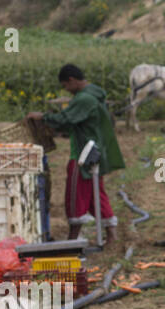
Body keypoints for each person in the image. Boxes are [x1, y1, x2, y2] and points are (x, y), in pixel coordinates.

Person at [28, 64, 125, 247]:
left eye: (65, 86)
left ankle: (72, 240)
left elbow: (65, 119)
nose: (66, 90)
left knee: (75, 195)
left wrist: (43, 117)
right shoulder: (94, 94)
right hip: (95, 150)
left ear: (72, 81)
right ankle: (111, 235)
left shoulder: (84, 99)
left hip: (82, 153)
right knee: (96, 194)